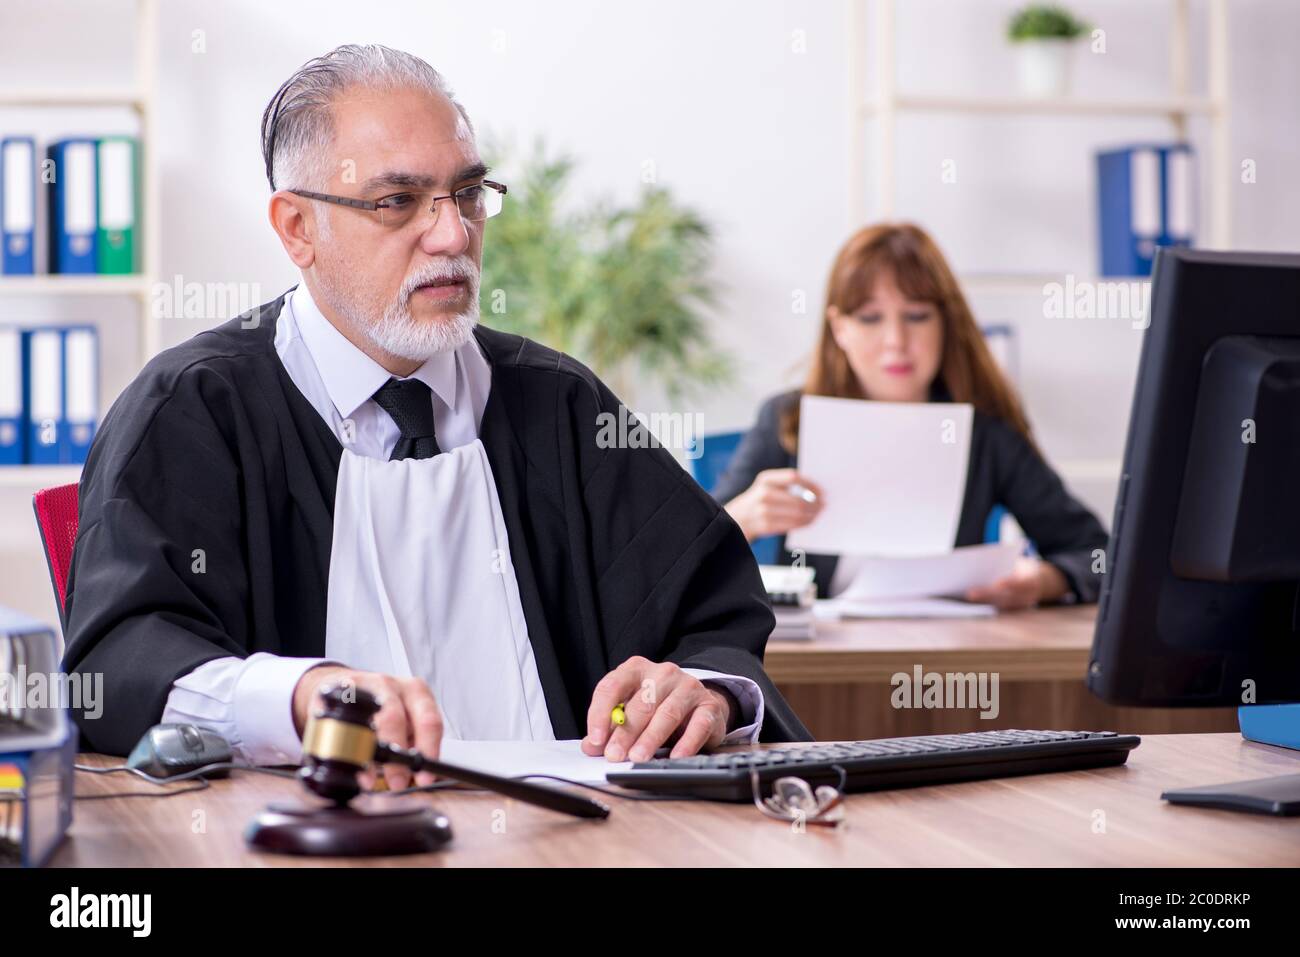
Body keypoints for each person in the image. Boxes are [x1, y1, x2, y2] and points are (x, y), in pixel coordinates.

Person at [61, 44, 809, 787]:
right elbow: (120, 658)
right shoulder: (194, 410)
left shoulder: (561, 407)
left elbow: (711, 613)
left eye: (469, 193)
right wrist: (294, 697)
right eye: (397, 201)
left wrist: (702, 689)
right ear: (297, 229)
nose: (454, 236)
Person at [713, 223, 1108, 609]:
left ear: (945, 324)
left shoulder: (984, 433)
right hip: (818, 660)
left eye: (917, 316)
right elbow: (679, 562)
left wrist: (1041, 581)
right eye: (870, 318)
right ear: (839, 329)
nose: (896, 342)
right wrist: (743, 517)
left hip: (945, 654)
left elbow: (1099, 556)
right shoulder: (787, 420)